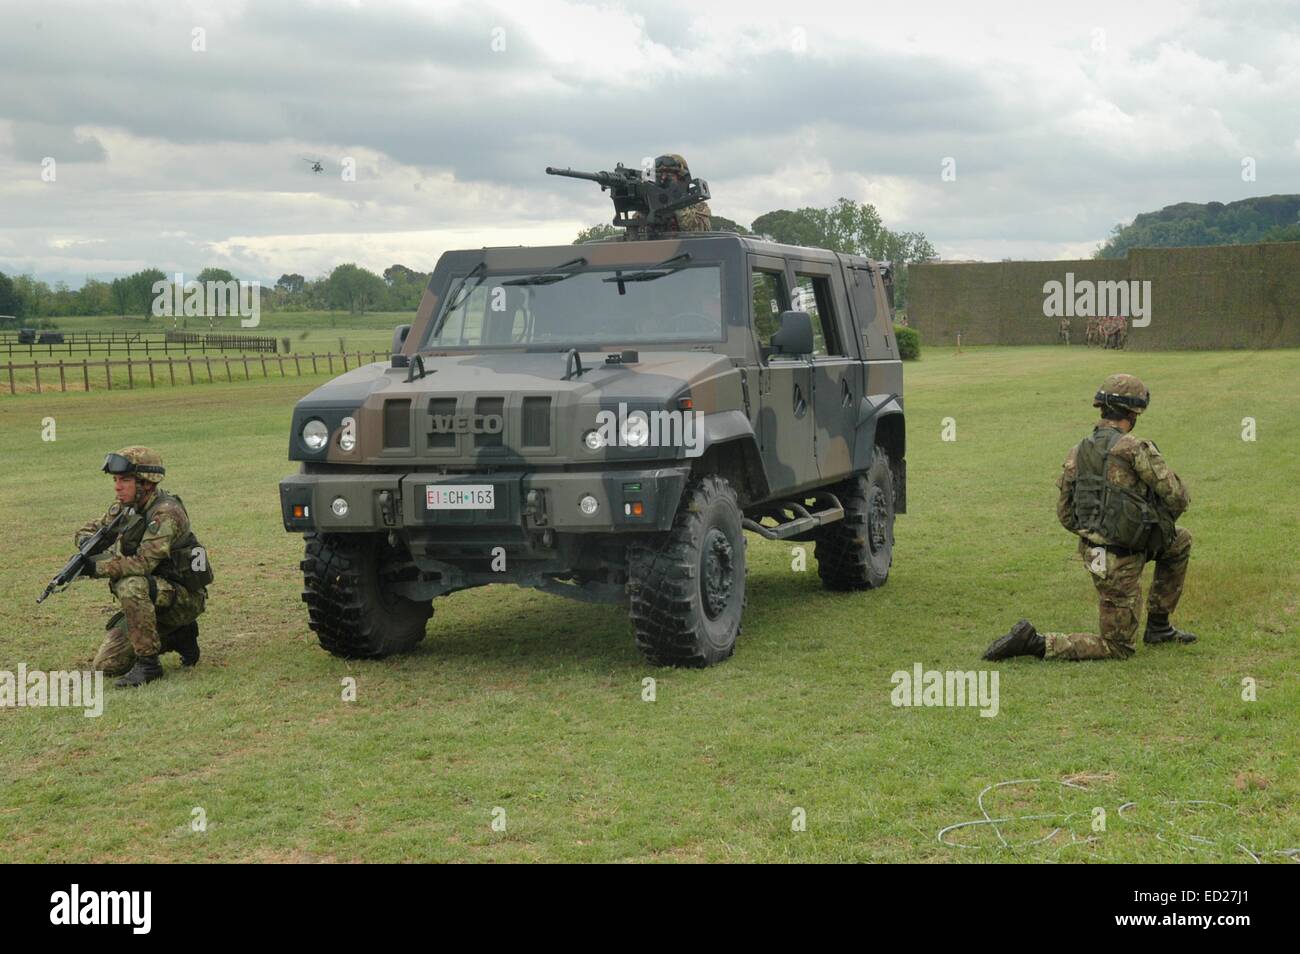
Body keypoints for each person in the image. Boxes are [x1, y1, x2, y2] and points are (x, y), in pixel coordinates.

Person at [983, 374, 1196, 662]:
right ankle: (1037, 643)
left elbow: (1066, 514)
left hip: (1095, 554)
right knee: (1118, 646)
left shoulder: (1078, 450)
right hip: (1121, 558)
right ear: (1133, 414)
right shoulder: (1134, 448)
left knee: (1179, 541)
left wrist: (1100, 532)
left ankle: (1159, 627)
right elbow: (1179, 497)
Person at [79, 447, 212, 686]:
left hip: (184, 598)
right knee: (107, 665)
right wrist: (86, 544)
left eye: (125, 480)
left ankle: (148, 665)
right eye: (116, 480)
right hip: (155, 595)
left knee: (131, 585)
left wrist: (95, 568)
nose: (117, 487)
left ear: (147, 484)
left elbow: (143, 563)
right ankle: (178, 636)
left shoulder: (165, 514)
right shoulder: (125, 507)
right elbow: (92, 530)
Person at [641, 154, 711, 232]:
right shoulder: (650, 204)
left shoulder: (698, 205)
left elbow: (700, 230)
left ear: (681, 177)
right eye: (660, 174)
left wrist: (677, 202)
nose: (663, 178)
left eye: (669, 173)